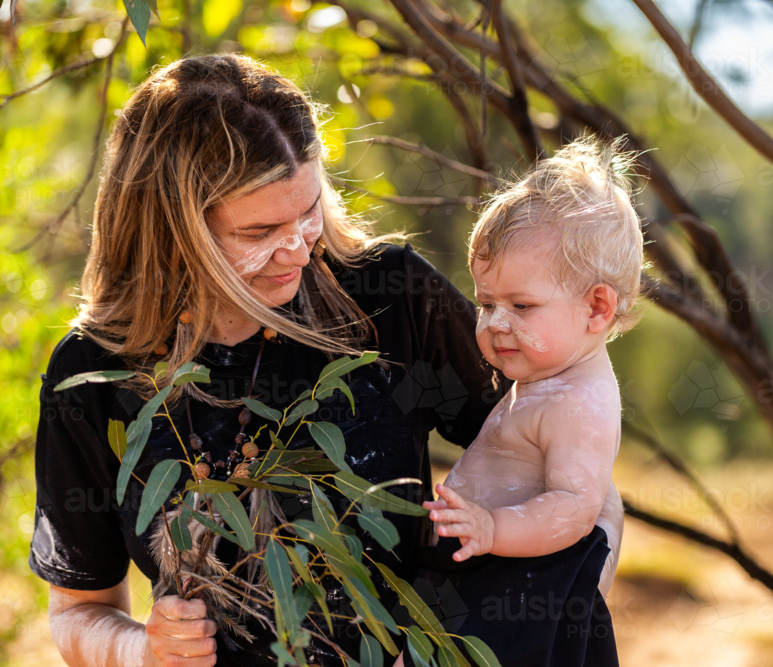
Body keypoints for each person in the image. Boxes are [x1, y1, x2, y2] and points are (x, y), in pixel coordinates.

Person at [28, 53, 524, 667]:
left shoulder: (390, 298)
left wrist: (456, 645)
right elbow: (78, 611)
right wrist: (144, 650)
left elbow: (558, 469)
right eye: (259, 233)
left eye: (309, 209)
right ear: (172, 229)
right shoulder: (92, 373)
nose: (296, 248)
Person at [394, 136, 641, 667]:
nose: (495, 323)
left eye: (521, 305)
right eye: (486, 303)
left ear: (597, 308)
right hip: (488, 574)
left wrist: (492, 529)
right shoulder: (550, 373)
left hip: (513, 586)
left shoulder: (580, 402)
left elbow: (574, 510)